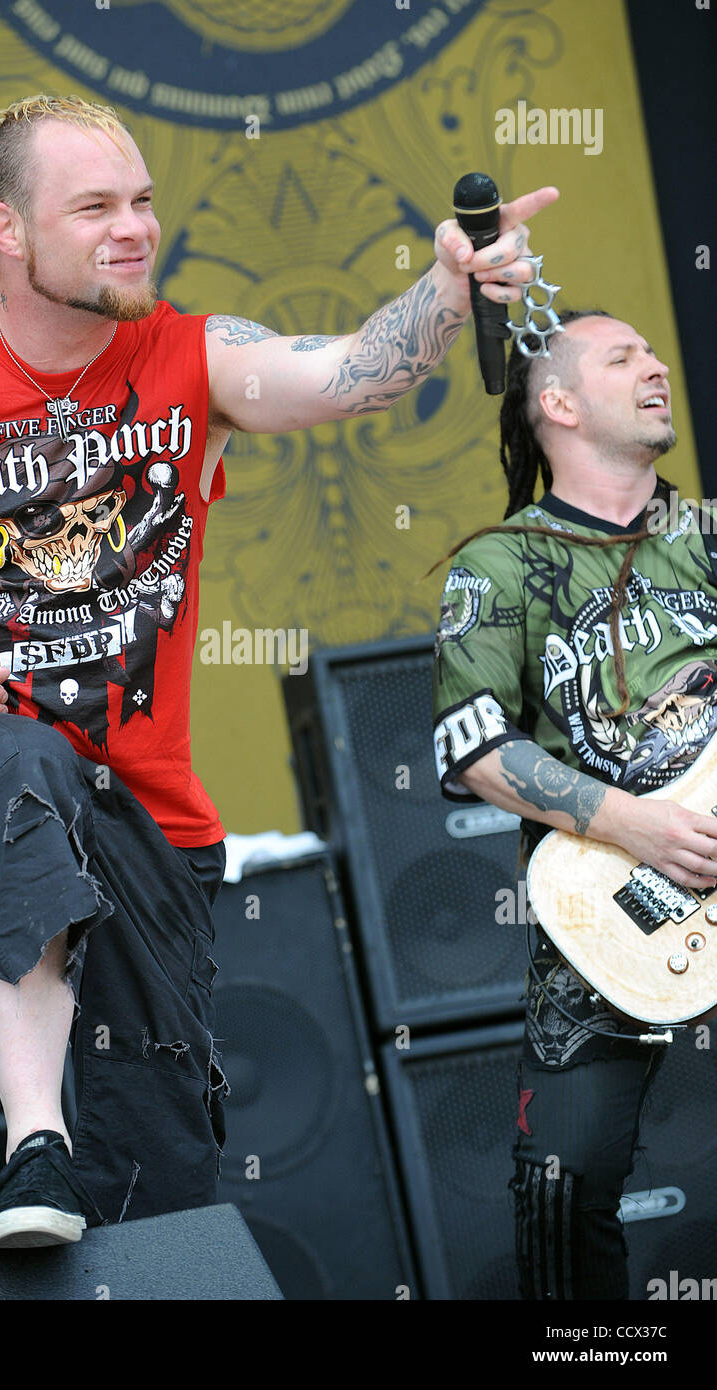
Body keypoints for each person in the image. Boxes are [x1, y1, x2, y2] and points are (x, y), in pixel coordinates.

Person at [0, 92, 555, 1249]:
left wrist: (448, 291)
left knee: (158, 1181)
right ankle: (30, 1143)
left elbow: (352, 369)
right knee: (18, 774)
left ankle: (78, 1186)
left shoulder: (191, 356)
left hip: (147, 813)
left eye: (142, 201)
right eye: (94, 206)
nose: (132, 228)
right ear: (6, 228)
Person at [432, 308, 717, 1299]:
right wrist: (632, 823)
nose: (654, 367)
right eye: (621, 356)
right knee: (558, 1182)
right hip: (608, 903)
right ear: (555, 402)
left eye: (652, 351)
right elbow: (470, 747)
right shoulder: (499, 566)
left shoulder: (707, 538)